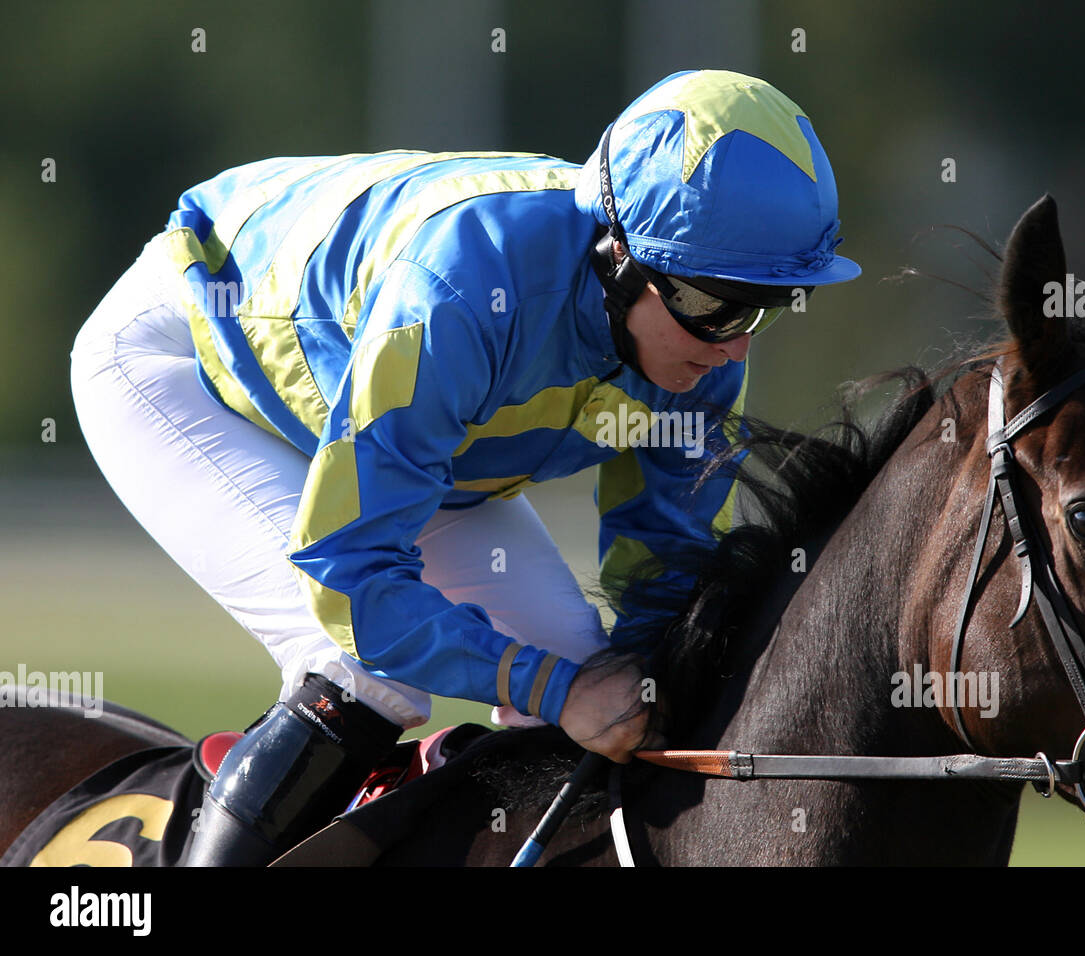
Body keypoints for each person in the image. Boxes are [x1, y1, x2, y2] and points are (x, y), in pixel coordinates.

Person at [68, 69, 861, 866]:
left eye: (762, 304)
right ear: (619, 256)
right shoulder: (460, 288)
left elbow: (664, 568)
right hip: (185, 363)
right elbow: (354, 577)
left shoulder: (702, 343)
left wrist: (615, 683)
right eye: (716, 303)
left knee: (606, 688)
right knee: (359, 670)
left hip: (407, 436)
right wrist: (551, 689)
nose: (734, 346)